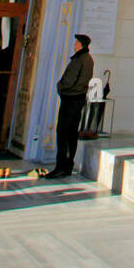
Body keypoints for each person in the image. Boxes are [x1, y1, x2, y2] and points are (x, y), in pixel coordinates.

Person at [45, 34, 94, 178]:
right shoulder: (89, 59)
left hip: (71, 99)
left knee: (64, 133)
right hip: (79, 98)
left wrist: (60, 87)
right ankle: (67, 165)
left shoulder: (79, 60)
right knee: (72, 133)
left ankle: (62, 166)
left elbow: (69, 80)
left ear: (81, 45)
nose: (74, 45)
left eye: (76, 42)